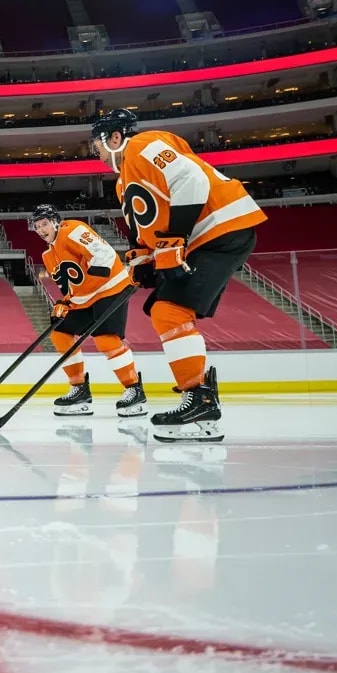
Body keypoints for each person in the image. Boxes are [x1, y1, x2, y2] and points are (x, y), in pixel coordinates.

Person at [89, 108, 266, 442]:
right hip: (206, 237)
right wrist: (143, 259)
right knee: (166, 311)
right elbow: (146, 228)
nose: (94, 152)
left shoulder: (143, 144)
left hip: (220, 229)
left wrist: (175, 241)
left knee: (168, 311)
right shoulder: (124, 180)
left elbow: (190, 179)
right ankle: (200, 398)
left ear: (114, 137)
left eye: (96, 144)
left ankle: (198, 398)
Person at [29, 204, 145, 418]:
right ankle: (79, 389)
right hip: (85, 299)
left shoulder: (71, 229)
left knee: (106, 340)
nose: (41, 229)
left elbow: (103, 254)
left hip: (111, 289)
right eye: (37, 227)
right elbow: (71, 288)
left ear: (55, 221)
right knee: (59, 331)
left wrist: (96, 273)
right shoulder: (48, 256)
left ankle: (134, 389)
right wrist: (64, 302)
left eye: (44, 223)